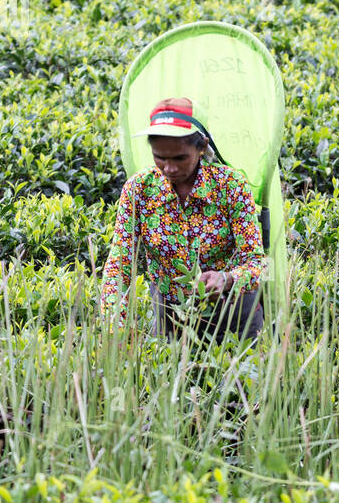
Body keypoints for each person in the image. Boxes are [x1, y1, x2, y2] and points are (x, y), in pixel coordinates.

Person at [100, 96, 264, 343]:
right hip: (171, 324)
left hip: (233, 320)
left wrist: (226, 278)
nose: (169, 169)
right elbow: (119, 265)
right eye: (159, 157)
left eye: (179, 158)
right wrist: (115, 329)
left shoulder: (231, 187)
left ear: (202, 147)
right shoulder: (139, 190)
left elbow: (258, 264)